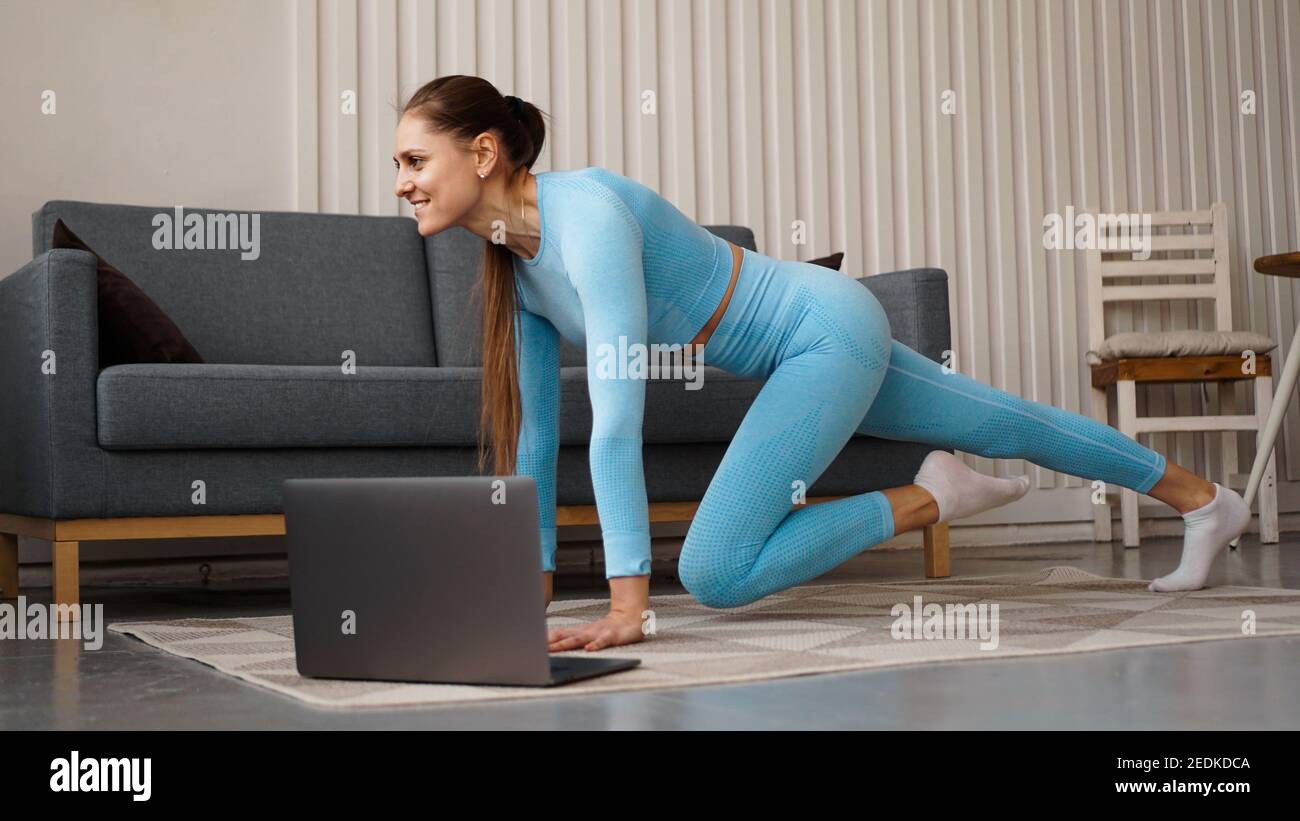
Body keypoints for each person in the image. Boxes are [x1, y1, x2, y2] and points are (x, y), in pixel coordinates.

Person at [393, 75, 1252, 653]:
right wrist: (530, 591)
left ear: (482, 154)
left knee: (713, 571)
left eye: (413, 160)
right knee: (1002, 419)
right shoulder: (516, 264)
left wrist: (628, 604)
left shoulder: (587, 217)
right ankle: (1209, 500)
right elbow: (538, 435)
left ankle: (935, 495)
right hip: (808, 345)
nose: (401, 182)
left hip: (821, 329)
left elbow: (618, 420)